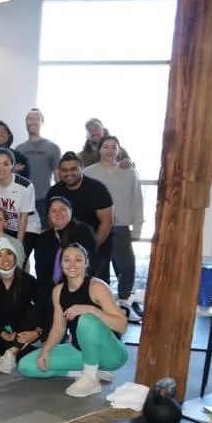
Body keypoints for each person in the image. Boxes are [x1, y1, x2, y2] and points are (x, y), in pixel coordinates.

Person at [18, 243, 128, 397]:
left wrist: (91, 309)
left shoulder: (97, 287)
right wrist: (45, 350)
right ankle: (90, 371)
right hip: (80, 350)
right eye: (66, 260)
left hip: (111, 354)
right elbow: (58, 328)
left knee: (86, 320)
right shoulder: (58, 291)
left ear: (86, 263)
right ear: (61, 264)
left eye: (78, 259)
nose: (72, 264)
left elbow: (122, 326)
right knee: (28, 365)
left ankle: (90, 378)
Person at [83, 135, 144, 319]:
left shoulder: (129, 172)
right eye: (106, 147)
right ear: (99, 150)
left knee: (127, 266)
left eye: (113, 147)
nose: (109, 151)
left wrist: (138, 227)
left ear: (118, 150)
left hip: (121, 226)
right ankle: (102, 306)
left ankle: (124, 303)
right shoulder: (88, 172)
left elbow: (137, 200)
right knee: (99, 268)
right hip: (97, 227)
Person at [0, 238, 44, 374]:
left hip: (22, 329)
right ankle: (15, 350)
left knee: (32, 309)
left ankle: (12, 352)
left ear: (15, 256)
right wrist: (1, 333)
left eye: (9, 253)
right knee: (28, 354)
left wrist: (36, 332)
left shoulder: (28, 280)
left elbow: (43, 308)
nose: (5, 259)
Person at [46, 152, 114, 280]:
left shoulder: (98, 189)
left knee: (96, 282)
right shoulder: (54, 191)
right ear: (59, 172)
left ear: (81, 168)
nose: (69, 173)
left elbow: (107, 222)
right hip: (65, 243)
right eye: (64, 170)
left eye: (73, 169)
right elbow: (52, 220)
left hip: (97, 241)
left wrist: (90, 248)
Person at [0, 148, 41, 260]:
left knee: (16, 259)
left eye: (6, 164)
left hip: (27, 227)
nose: (1, 168)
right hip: (4, 226)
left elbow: (23, 219)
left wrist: (18, 246)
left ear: (12, 165)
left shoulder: (25, 186)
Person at [34, 196, 99, 293]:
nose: (58, 213)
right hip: (50, 292)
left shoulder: (83, 231)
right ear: (48, 215)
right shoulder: (43, 239)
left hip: (80, 289)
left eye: (63, 209)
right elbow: (41, 272)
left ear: (71, 211)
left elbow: (92, 264)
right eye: (53, 211)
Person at [14, 109, 61, 225]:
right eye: (30, 119)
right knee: (22, 236)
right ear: (26, 122)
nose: (33, 122)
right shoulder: (19, 149)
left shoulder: (53, 148)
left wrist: (59, 201)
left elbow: (58, 177)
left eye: (36, 119)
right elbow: (14, 176)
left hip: (43, 201)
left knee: (43, 236)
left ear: (42, 122)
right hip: (22, 201)